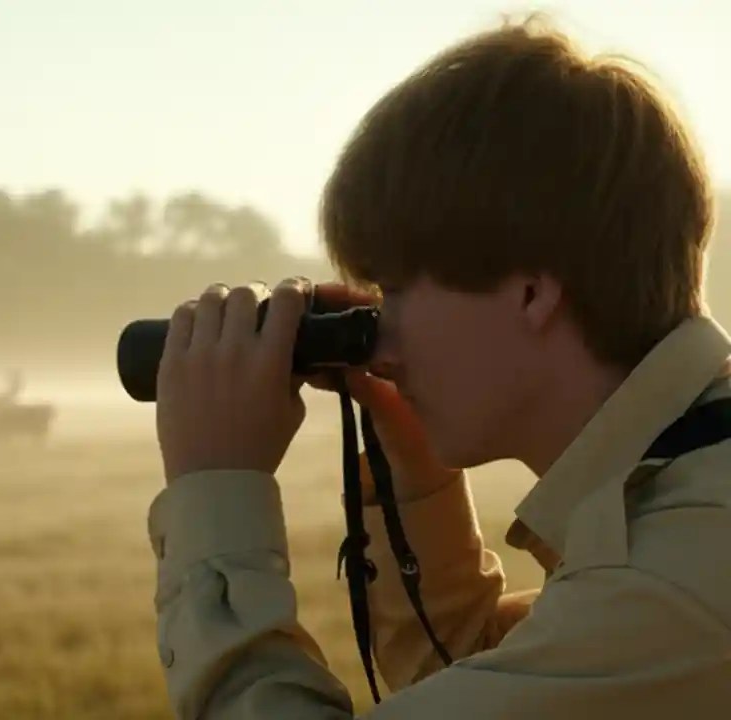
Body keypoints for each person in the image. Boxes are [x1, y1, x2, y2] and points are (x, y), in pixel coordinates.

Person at [148, 15, 731, 719]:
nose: (379, 341)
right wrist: (416, 483)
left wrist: (218, 490)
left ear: (531, 291)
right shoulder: (689, 489)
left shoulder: (678, 581)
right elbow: (499, 682)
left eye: (393, 291)